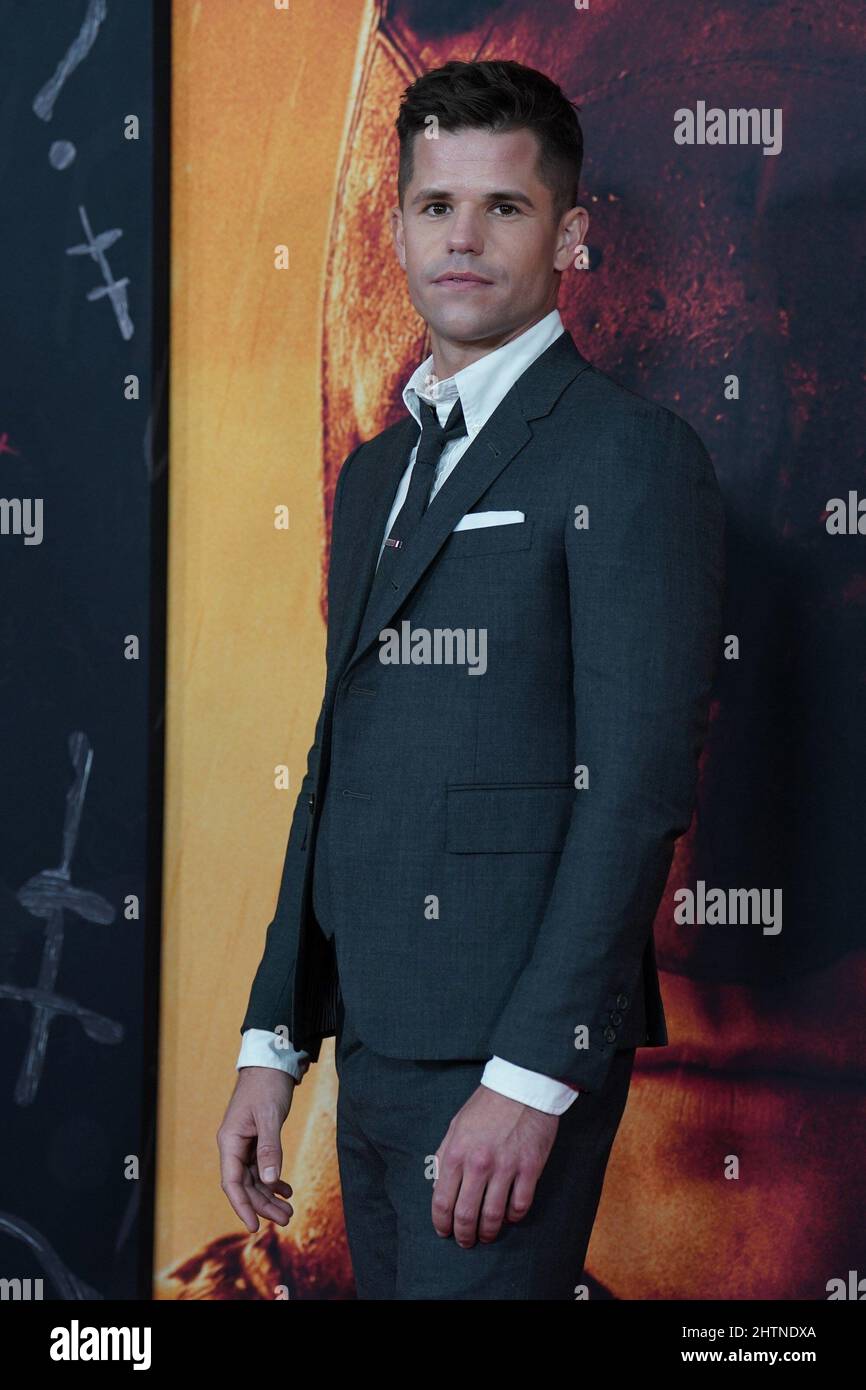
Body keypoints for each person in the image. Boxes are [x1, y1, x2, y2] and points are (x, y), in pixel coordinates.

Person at [217, 58, 725, 1300]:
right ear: (394, 225)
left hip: (506, 1069)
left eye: (503, 206)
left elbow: (634, 793)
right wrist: (273, 1040)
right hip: (368, 1058)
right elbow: (336, 763)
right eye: (436, 204)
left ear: (568, 231)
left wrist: (528, 1079)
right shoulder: (373, 477)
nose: (463, 236)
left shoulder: (632, 455)